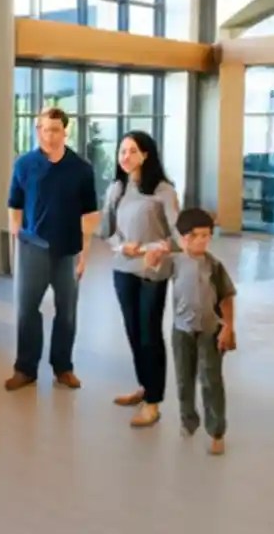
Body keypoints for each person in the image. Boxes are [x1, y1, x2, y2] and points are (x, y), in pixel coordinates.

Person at [5, 107, 100, 393]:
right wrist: (17, 237)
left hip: (69, 250)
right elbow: (14, 205)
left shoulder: (81, 169)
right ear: (38, 131)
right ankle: (25, 368)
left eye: (55, 130)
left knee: (67, 312)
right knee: (26, 310)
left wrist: (84, 255)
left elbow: (90, 216)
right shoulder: (24, 165)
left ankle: (63, 367)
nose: (50, 135)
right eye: (45, 129)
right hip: (32, 248)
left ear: (65, 131)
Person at [99, 130, 181, 428]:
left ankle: (154, 402)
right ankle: (145, 386)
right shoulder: (116, 189)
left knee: (149, 334)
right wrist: (121, 247)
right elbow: (105, 231)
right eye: (122, 151)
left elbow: (178, 236)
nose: (125, 157)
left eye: (132, 151)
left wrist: (155, 249)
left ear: (146, 154)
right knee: (134, 332)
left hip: (152, 271)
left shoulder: (163, 191)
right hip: (123, 268)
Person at [145, 208, 237, 456]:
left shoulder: (214, 266)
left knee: (211, 380)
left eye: (207, 235)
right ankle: (188, 420)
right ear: (183, 237)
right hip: (182, 330)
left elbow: (227, 297)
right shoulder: (174, 261)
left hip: (210, 330)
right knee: (184, 379)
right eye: (196, 235)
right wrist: (152, 261)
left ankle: (216, 430)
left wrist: (228, 327)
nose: (203, 240)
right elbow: (154, 275)